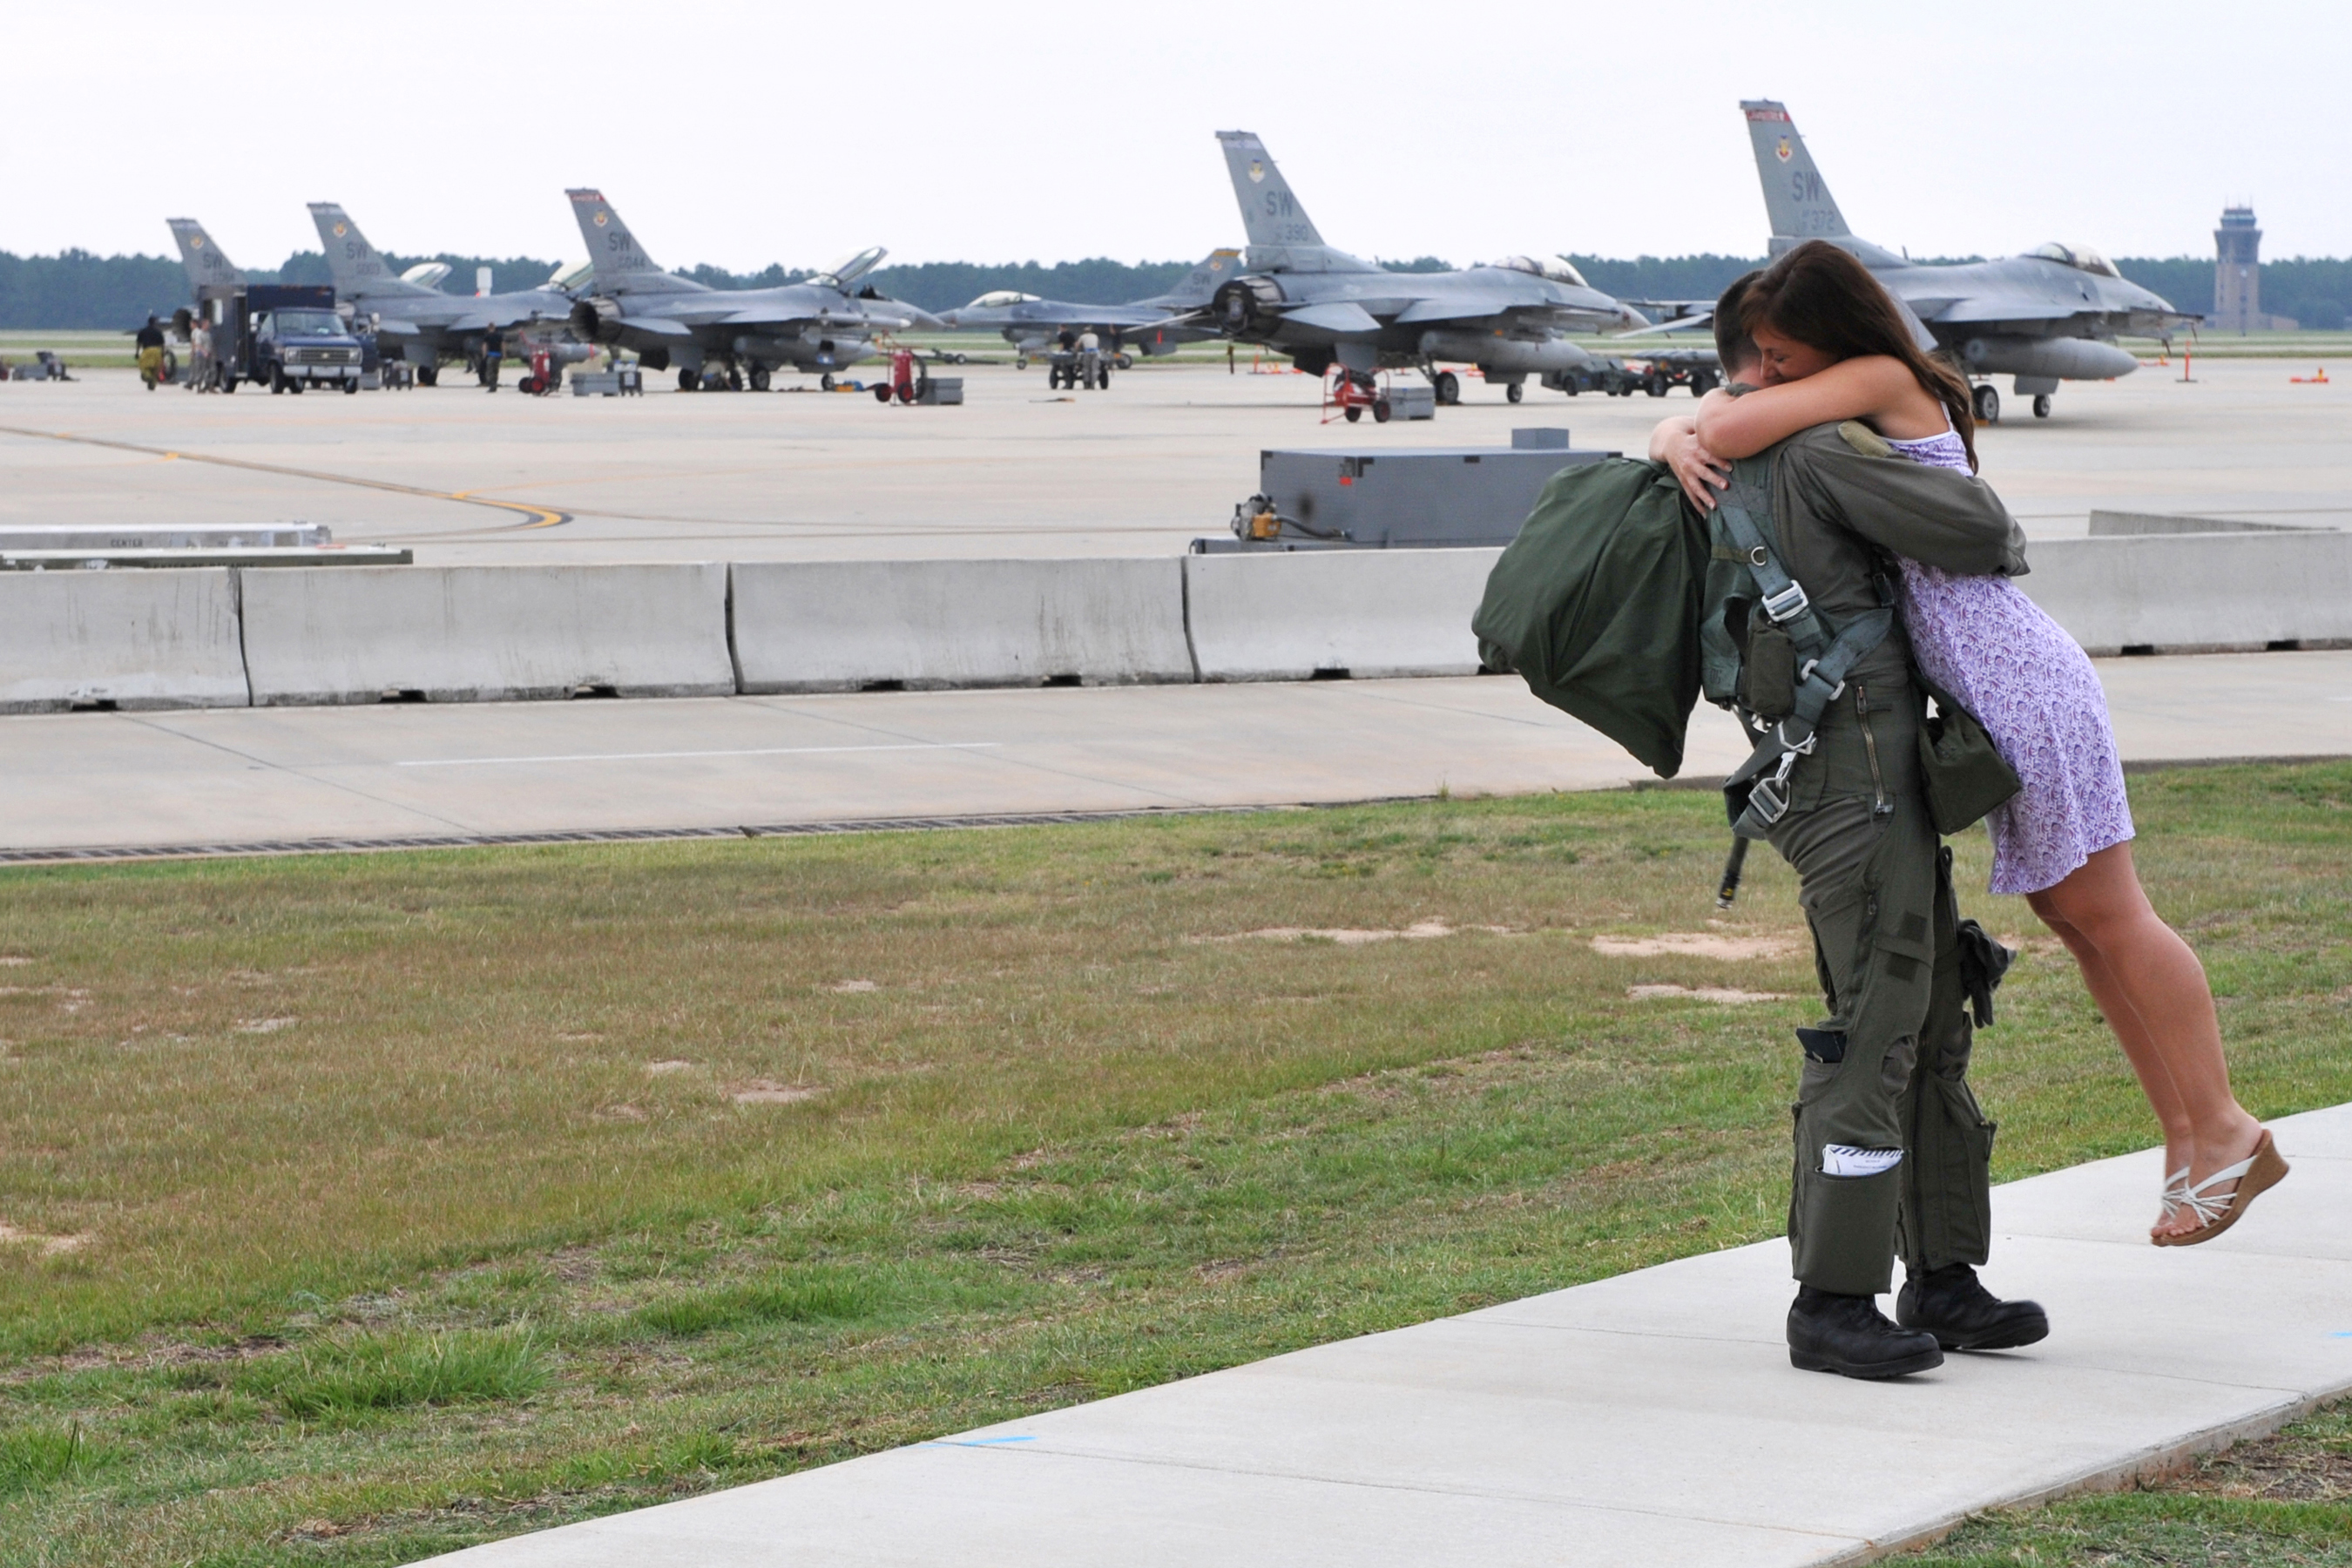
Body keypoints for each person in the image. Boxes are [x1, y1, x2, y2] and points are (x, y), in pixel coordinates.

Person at [1687, 242, 2288, 1249]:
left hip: (2018, 680)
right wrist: (1682, 427)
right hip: (1999, 686)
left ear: (1833, 336)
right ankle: (2190, 1140)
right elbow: (1728, 417)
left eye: (1783, 353)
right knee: (2075, 914)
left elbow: (1731, 421)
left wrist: (1685, 427)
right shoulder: (1860, 395)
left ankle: (2224, 1123)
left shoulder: (1882, 378)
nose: (1773, 371)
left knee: (2111, 911)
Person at [1649, 294, 2049, 1379]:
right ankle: (1832, 1299)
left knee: (1927, 1014)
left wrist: (1677, 426)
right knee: (1879, 1025)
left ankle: (1944, 1279)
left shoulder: (1723, 448)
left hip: (1856, 773)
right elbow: (1983, 532)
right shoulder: (1822, 451)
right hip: (1854, 780)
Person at [135, 314, 166, 390]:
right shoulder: (159, 332)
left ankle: (149, 378)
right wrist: (162, 354)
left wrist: (137, 353)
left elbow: (138, 343)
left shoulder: (143, 331)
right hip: (157, 352)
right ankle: (152, 386)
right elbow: (162, 344)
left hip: (147, 351)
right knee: (155, 371)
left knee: (145, 368)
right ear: (155, 323)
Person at [188, 314, 214, 393]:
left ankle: (209, 386)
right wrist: (204, 352)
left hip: (209, 354)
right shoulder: (199, 334)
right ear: (203, 325)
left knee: (211, 371)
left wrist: (211, 352)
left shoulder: (208, 334)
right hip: (201, 355)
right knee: (201, 371)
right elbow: (198, 344)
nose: (208, 326)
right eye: (207, 324)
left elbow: (210, 344)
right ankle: (199, 387)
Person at [480, 327, 504, 392]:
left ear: (489, 328)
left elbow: (485, 346)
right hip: (498, 356)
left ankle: (492, 386)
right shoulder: (499, 336)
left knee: (490, 371)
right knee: (496, 371)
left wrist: (484, 355)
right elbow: (502, 345)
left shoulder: (487, 336)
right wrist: (504, 354)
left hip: (491, 356)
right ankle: (495, 384)